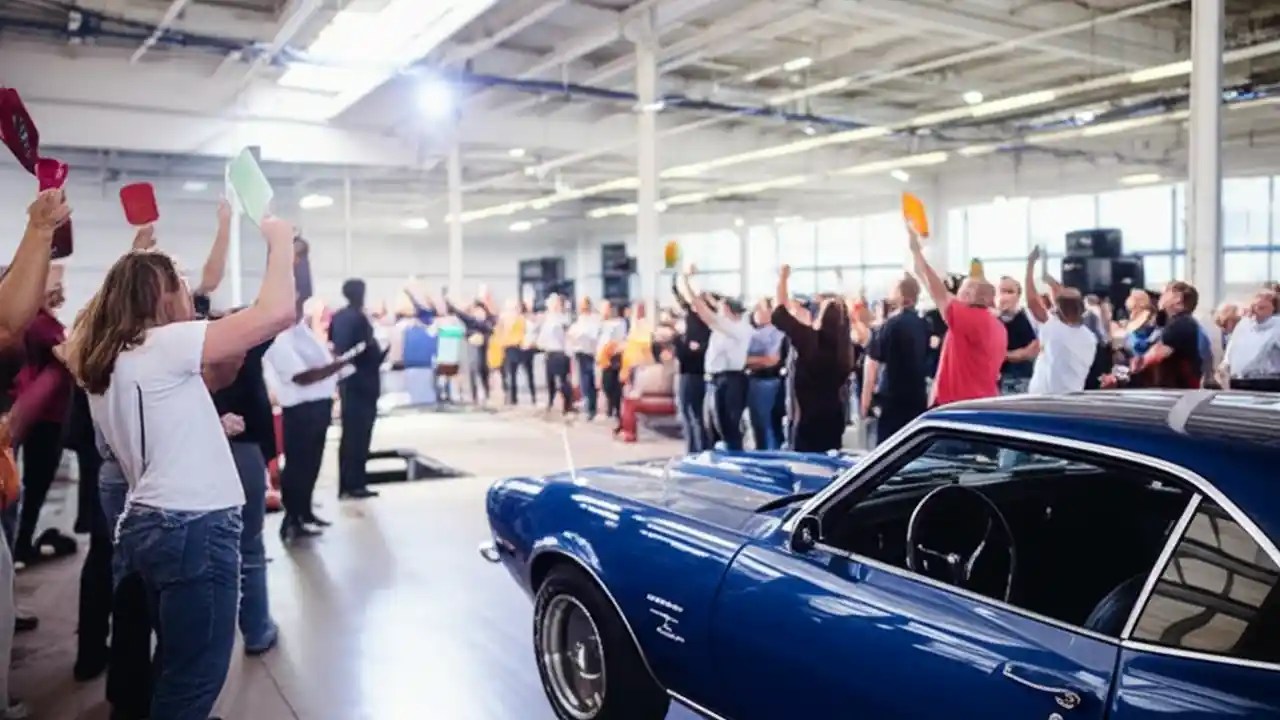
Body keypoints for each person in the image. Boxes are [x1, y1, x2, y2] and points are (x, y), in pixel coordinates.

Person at [66, 213, 297, 720]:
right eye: (181, 289)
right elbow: (277, 312)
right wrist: (281, 242)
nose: (190, 299)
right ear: (158, 298)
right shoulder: (162, 344)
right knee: (195, 680)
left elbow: (152, 432)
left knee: (176, 661)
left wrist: (211, 428)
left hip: (148, 523)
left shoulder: (108, 361)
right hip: (194, 526)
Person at [265, 294, 357, 539]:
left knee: (312, 465)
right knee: (298, 466)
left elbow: (322, 363)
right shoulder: (279, 340)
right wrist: (339, 365)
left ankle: (305, 512)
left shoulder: (302, 332)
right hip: (300, 409)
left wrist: (337, 365)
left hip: (319, 405)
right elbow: (301, 376)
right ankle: (292, 518)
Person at [907, 225, 1005, 406]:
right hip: (981, 401)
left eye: (962, 290)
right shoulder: (997, 326)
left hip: (958, 404)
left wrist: (917, 252)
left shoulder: (971, 318)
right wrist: (919, 264)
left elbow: (940, 294)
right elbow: (936, 292)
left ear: (970, 295)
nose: (957, 294)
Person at [770, 267, 856, 453]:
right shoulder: (845, 350)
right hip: (834, 418)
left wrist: (783, 279)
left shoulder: (810, 340)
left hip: (806, 420)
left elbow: (778, 313)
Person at [677, 268, 752, 451]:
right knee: (716, 426)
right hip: (717, 380)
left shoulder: (736, 328)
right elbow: (703, 305)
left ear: (728, 310)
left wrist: (685, 280)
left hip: (730, 380)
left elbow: (702, 309)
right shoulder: (726, 325)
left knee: (729, 428)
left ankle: (736, 463)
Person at [330, 279, 385, 500]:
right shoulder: (357, 318)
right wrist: (376, 353)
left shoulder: (338, 317)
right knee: (360, 435)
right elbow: (360, 348)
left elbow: (336, 346)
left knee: (349, 435)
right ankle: (355, 483)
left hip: (349, 382)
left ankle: (347, 483)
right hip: (363, 381)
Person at [862, 275, 929, 446]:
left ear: (900, 294)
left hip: (892, 398)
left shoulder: (890, 325)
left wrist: (866, 399)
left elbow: (873, 363)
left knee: (886, 448)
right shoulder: (924, 324)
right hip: (916, 396)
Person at [1022, 247, 1097, 394]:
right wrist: (1048, 279)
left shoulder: (1053, 329)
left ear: (1058, 308)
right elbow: (1065, 299)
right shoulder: (1089, 337)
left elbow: (1032, 301)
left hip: (1044, 398)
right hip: (1072, 396)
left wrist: (1030, 264)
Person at [1105, 281, 1202, 390]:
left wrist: (1124, 374)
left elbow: (1154, 356)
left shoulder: (1181, 324)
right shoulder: (1181, 323)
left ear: (1178, 299)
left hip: (1179, 393)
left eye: (1166, 293)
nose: (1161, 297)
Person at [670, 276, 711, 452]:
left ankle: (697, 450)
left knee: (694, 415)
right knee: (686, 413)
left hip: (695, 373)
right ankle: (691, 449)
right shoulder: (690, 316)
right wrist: (677, 279)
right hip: (685, 371)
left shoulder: (704, 324)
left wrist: (679, 342)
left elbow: (696, 350)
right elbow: (681, 297)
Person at [1221, 288, 1280, 391]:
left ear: (1273, 308)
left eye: (1262, 307)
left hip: (1268, 382)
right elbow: (1231, 353)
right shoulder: (1244, 325)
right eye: (1254, 307)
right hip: (1239, 381)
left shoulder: (1277, 327)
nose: (1257, 310)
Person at [745, 299, 785, 451]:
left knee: (766, 425)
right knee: (757, 427)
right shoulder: (754, 332)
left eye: (759, 309)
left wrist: (747, 360)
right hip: (754, 380)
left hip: (767, 382)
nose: (756, 313)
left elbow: (772, 360)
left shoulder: (776, 333)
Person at [996, 276, 1038, 395]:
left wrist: (1002, 355)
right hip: (995, 380)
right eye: (1002, 291)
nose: (1005, 296)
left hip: (1019, 380)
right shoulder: (991, 320)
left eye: (1010, 292)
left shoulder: (1027, 318)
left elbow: (1032, 351)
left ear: (1018, 295)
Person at [537, 294, 573, 415]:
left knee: (562, 381)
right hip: (550, 352)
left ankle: (567, 403)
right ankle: (551, 402)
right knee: (550, 380)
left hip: (560, 352)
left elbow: (565, 336)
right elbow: (543, 336)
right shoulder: (549, 319)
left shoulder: (563, 319)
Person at [567, 298, 601, 420]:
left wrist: (580, 335)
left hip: (589, 352)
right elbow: (572, 332)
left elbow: (592, 335)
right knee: (584, 380)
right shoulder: (580, 320)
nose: (582, 309)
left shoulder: (593, 320)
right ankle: (588, 405)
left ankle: (591, 407)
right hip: (580, 352)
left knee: (588, 380)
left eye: (584, 306)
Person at [597, 301, 626, 419]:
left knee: (615, 385)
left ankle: (617, 410)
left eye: (607, 309)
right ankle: (610, 407)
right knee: (606, 385)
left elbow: (621, 338)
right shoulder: (601, 324)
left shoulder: (619, 323)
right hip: (604, 357)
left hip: (615, 355)